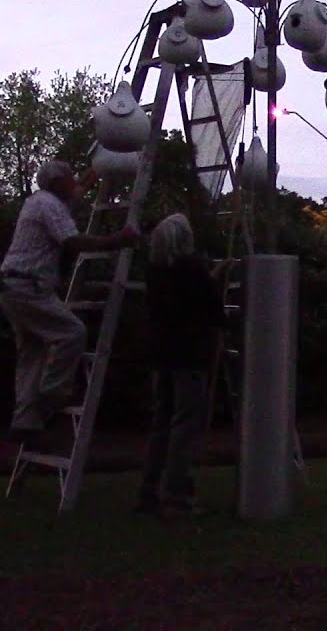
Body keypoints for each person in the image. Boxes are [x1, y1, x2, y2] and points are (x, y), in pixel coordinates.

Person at [0, 159, 138, 444]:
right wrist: (117, 240)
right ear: (56, 183)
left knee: (32, 354)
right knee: (72, 333)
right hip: (29, 287)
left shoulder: (40, 202)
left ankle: (24, 422)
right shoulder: (48, 204)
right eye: (69, 178)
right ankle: (53, 395)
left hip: (14, 287)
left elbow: (75, 193)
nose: (75, 182)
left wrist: (95, 171)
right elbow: (72, 242)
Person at [136, 213, 228, 518]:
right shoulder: (191, 269)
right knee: (185, 425)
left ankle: (150, 490)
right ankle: (177, 496)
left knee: (162, 422)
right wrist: (215, 278)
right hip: (189, 356)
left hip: (161, 355)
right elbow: (210, 309)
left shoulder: (156, 270)